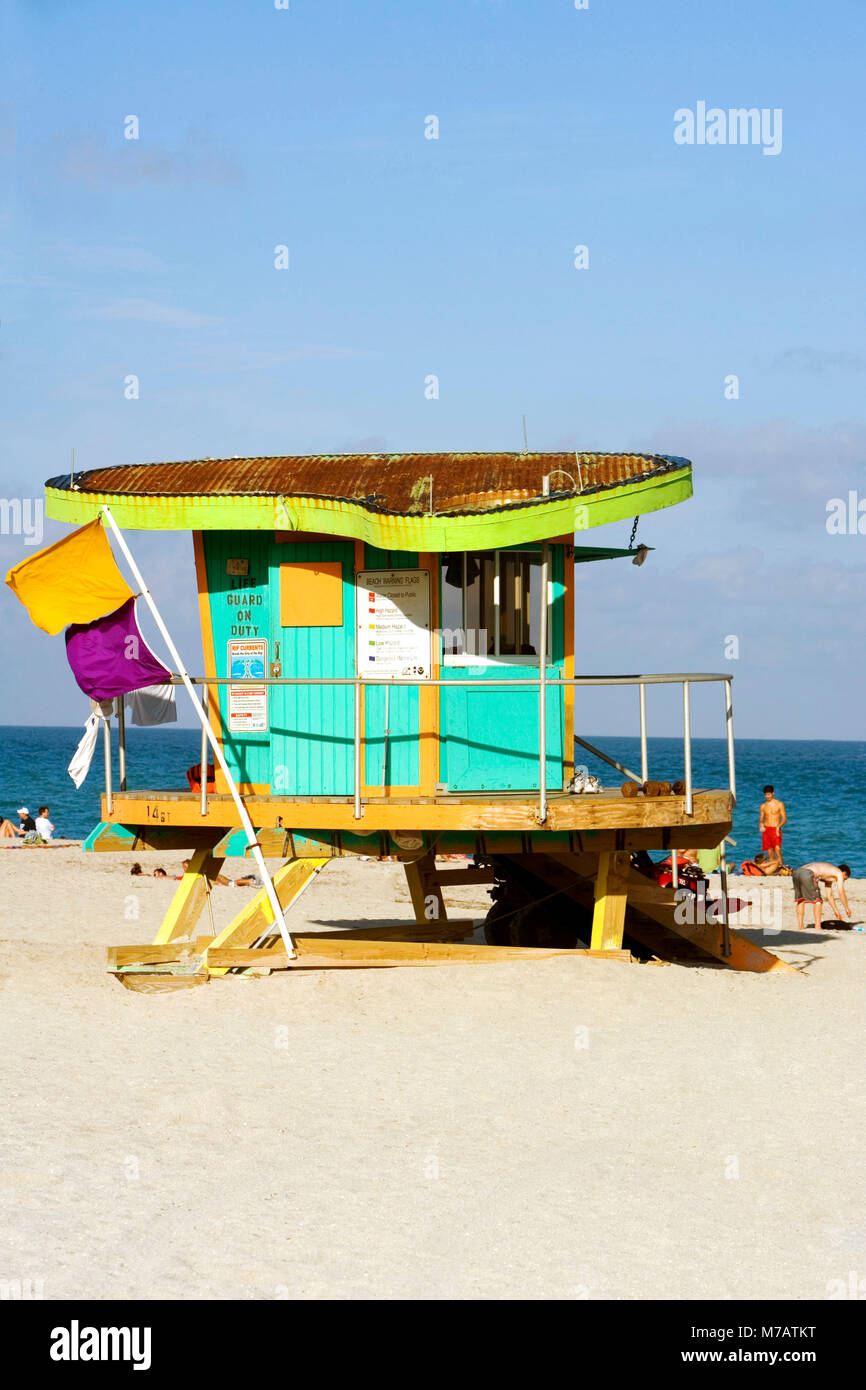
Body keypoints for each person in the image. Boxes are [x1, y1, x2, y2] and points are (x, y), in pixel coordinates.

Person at [792, 862, 852, 930]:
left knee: (801, 899)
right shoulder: (839, 873)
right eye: (844, 879)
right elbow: (841, 893)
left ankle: (800, 926)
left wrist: (836, 911)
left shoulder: (830, 872)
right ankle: (818, 926)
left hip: (797, 872)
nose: (843, 881)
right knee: (818, 901)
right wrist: (846, 908)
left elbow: (830, 895)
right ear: (844, 873)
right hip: (808, 873)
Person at [759, 785, 787, 870]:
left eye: (769, 794)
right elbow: (761, 819)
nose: (768, 796)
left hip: (775, 829)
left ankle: (781, 867)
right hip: (767, 830)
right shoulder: (763, 806)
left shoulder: (779, 804)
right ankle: (773, 870)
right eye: (766, 795)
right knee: (770, 852)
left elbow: (784, 818)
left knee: (777, 850)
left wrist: (778, 826)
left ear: (773, 793)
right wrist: (761, 825)